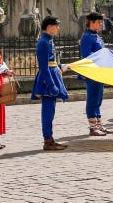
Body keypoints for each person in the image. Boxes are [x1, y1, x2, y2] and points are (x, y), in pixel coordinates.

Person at [32, 15, 69, 151]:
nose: (58, 28)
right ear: (49, 27)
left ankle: (50, 138)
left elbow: (52, 61)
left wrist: (61, 66)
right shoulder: (43, 42)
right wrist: (51, 84)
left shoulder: (48, 40)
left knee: (51, 111)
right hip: (47, 80)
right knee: (48, 112)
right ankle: (47, 140)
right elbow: (43, 66)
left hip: (52, 75)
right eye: (56, 25)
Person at [80, 12, 113, 137]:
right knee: (92, 99)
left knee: (98, 99)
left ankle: (99, 124)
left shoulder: (97, 36)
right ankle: (93, 127)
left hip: (100, 71)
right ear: (91, 23)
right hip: (92, 72)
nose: (101, 24)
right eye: (99, 22)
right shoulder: (87, 37)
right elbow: (86, 56)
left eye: (101, 22)